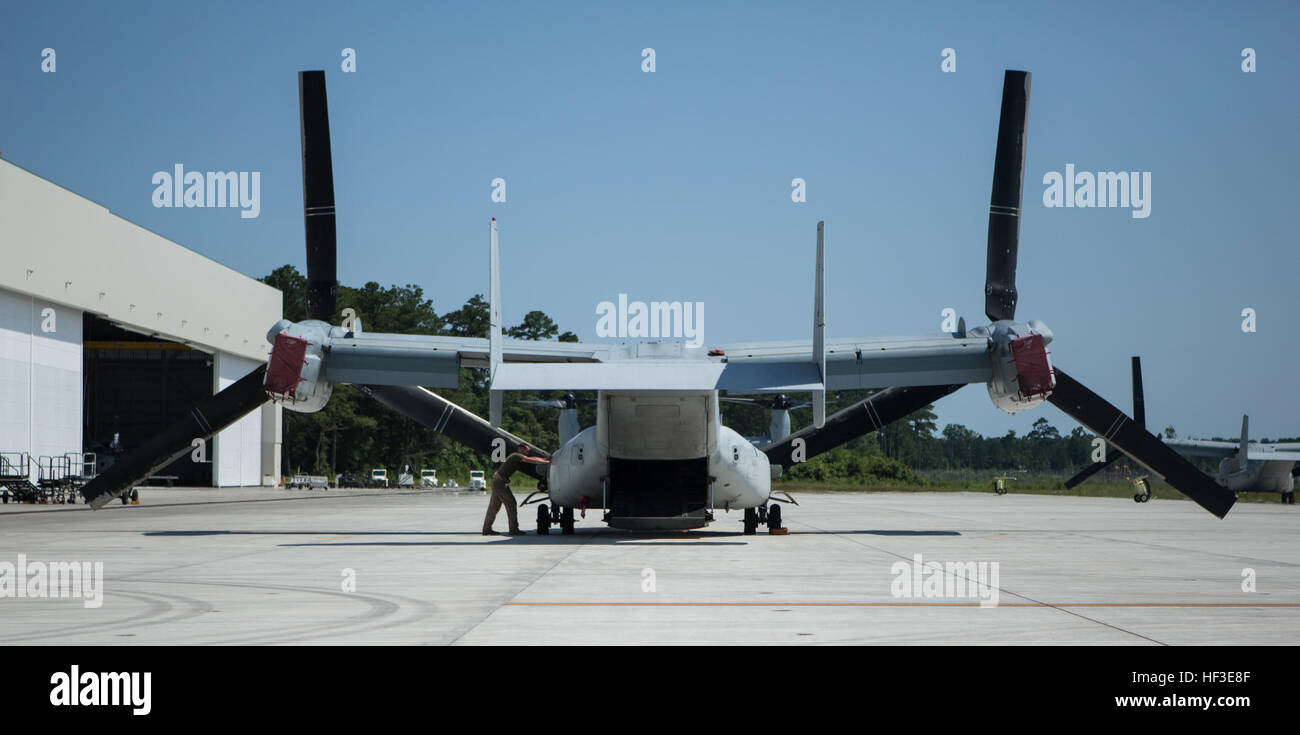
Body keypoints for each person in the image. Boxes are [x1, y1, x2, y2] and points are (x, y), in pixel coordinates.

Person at [483, 443, 549, 536]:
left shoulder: (516, 456)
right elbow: (530, 460)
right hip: (500, 482)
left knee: (494, 506)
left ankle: (487, 529)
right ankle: (513, 530)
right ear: (520, 449)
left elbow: (533, 459)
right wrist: (546, 462)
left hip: (498, 480)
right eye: (526, 450)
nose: (527, 452)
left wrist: (545, 460)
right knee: (511, 503)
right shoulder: (516, 455)